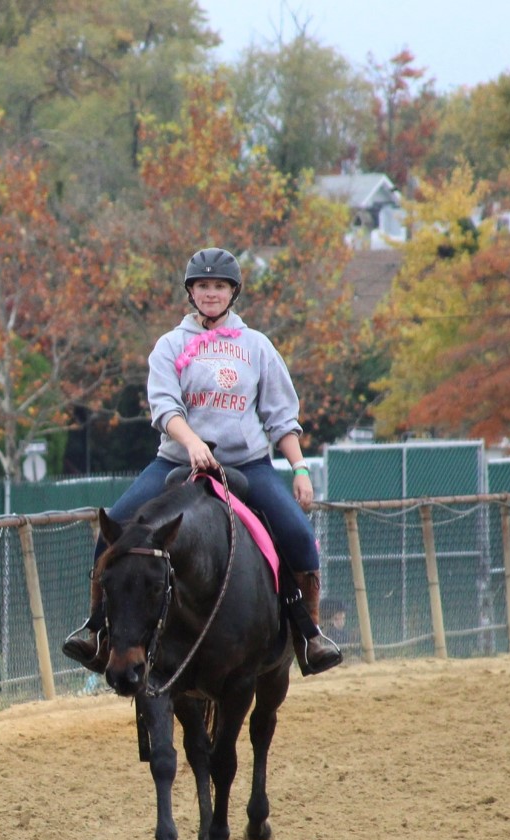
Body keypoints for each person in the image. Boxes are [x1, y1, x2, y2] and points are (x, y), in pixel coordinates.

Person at [63, 246, 341, 676]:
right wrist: (193, 443)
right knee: (113, 528)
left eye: (219, 286)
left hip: (247, 467)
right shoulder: (169, 345)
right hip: (176, 462)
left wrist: (300, 468)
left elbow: (281, 418)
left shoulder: (257, 346)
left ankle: (309, 635)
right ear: (191, 292)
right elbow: (165, 408)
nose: (211, 293)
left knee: (300, 537)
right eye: (203, 286)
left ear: (233, 292)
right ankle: (96, 630)